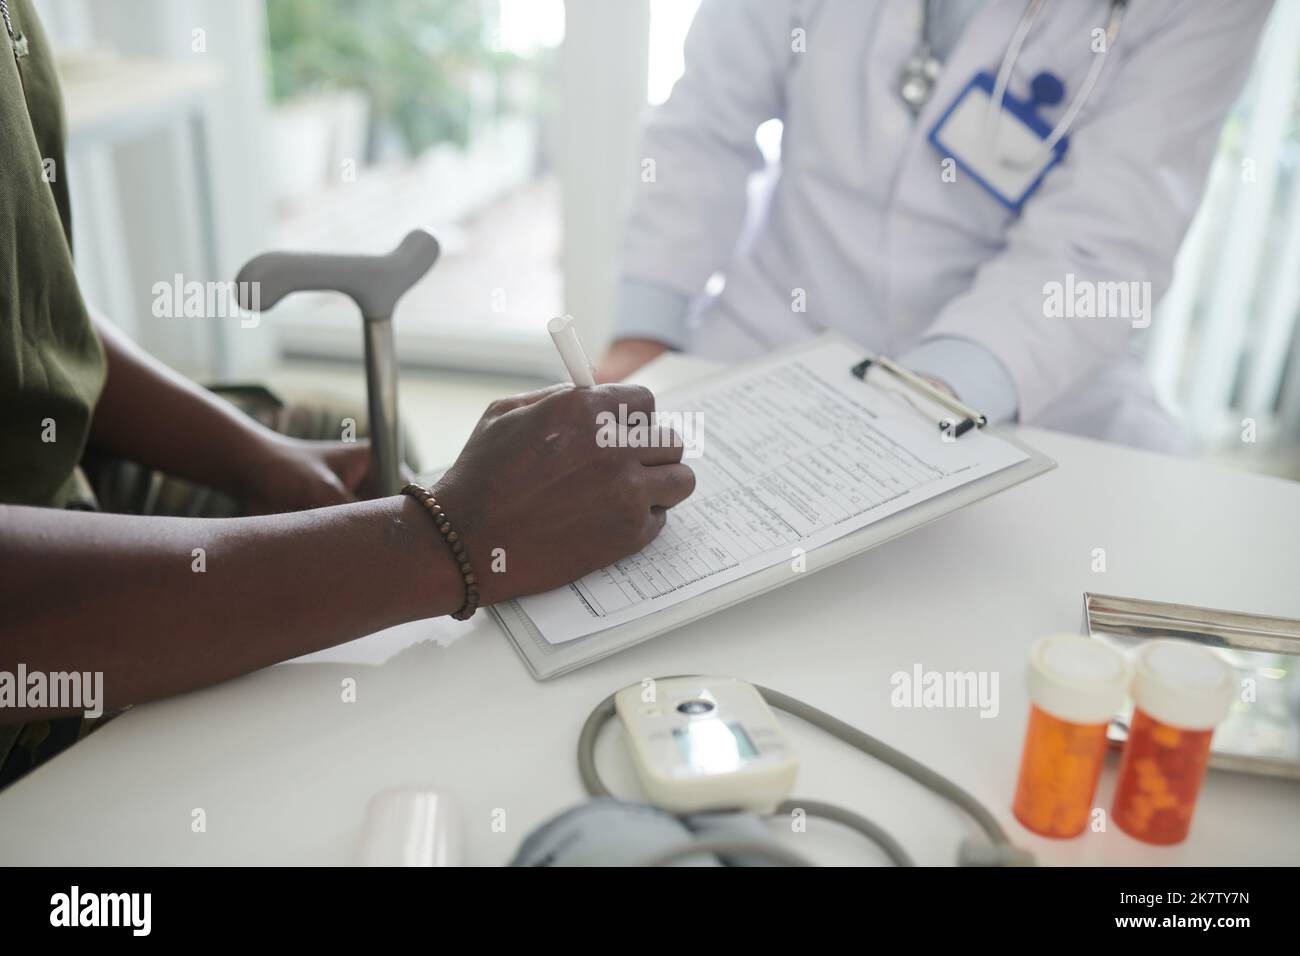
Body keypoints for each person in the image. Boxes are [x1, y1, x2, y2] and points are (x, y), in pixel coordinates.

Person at [0, 0, 693, 780]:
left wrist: (261, 457)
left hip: (68, 479)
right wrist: (446, 541)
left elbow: (41, 305)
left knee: (350, 435)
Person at [597, 0, 1274, 452]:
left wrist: (921, 404)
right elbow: (705, 123)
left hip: (1033, 382)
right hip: (775, 326)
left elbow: (1103, 240)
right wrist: (645, 333)